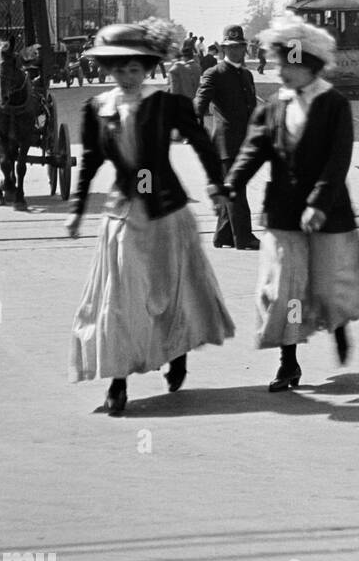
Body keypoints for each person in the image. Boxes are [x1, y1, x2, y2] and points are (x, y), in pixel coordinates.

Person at [66, 22, 236, 416]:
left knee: (171, 292)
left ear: (147, 71)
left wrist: (216, 184)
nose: (127, 78)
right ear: (110, 71)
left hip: (167, 213)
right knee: (121, 299)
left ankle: (176, 354)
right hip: (123, 215)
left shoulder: (166, 106)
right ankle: (118, 381)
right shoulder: (98, 109)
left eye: (135, 70)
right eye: (120, 70)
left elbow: (200, 141)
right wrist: (76, 210)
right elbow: (91, 160)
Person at [225, 13, 359, 392]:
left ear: (311, 67)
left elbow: (337, 159)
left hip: (327, 212)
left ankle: (338, 325)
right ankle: (289, 362)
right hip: (284, 214)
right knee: (284, 291)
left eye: (290, 65)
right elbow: (252, 151)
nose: (282, 73)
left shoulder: (333, 105)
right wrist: (230, 184)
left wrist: (319, 202)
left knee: (328, 287)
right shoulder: (273, 107)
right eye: (279, 65)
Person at [194, 25, 260, 251]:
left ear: (244, 49)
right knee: (236, 188)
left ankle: (223, 236)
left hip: (245, 140)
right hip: (226, 142)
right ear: (223, 49)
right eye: (230, 47)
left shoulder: (247, 74)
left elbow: (251, 106)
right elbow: (200, 102)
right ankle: (244, 237)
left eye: (239, 47)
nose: (235, 51)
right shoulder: (213, 73)